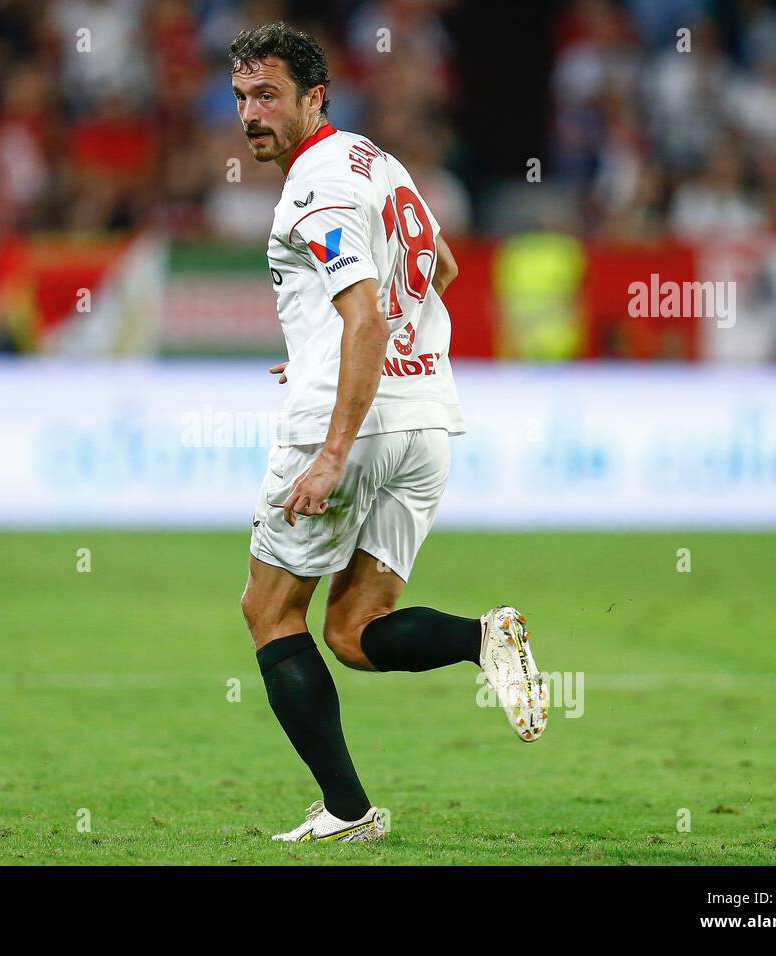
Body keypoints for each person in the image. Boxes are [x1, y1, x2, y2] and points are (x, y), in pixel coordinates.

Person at [231, 22, 548, 844]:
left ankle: (346, 812)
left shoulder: (313, 189)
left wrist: (332, 448)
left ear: (314, 97)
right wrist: (316, 351)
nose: (249, 114)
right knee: (355, 632)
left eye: (267, 96)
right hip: (426, 421)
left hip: (357, 429)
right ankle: (485, 639)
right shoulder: (377, 161)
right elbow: (438, 268)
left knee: (270, 611)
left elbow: (365, 316)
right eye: (240, 97)